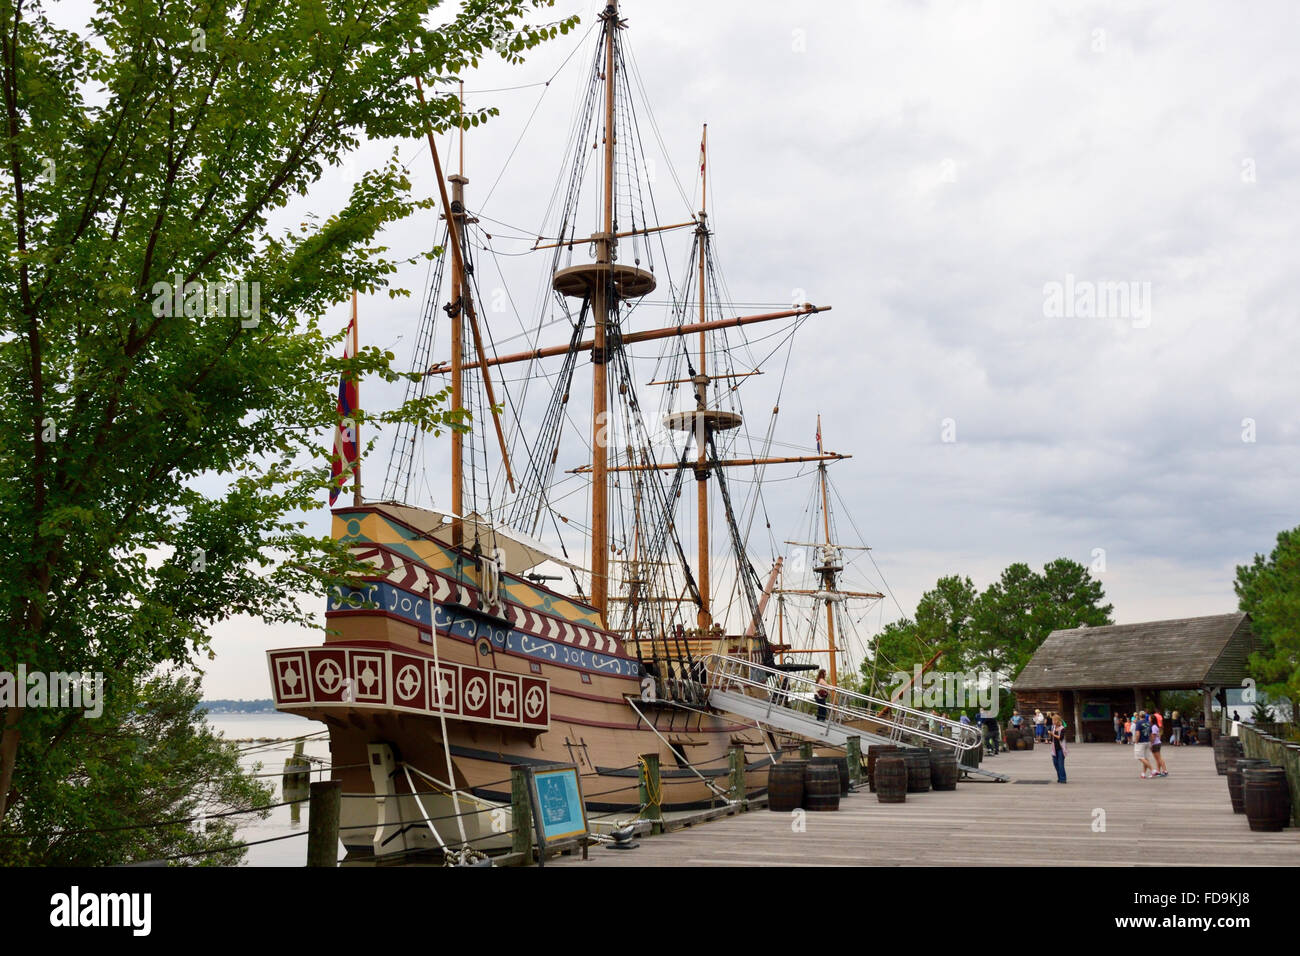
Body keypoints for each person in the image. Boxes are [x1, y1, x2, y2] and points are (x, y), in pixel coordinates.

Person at [1134, 710, 1155, 778]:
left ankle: (1152, 770)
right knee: (1145, 758)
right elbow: (1151, 734)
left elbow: (1137, 734)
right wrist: (1152, 743)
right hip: (1147, 742)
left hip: (1141, 742)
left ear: (1139, 716)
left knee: (1139, 757)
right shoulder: (1148, 723)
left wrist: (1136, 741)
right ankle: (1143, 773)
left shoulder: (1138, 723)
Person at [1049, 714, 1067, 782]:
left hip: (1061, 749)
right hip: (1054, 748)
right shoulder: (1053, 727)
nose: (1053, 721)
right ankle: (1059, 777)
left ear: (1057, 720)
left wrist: (1053, 734)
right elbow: (1052, 738)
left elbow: (1061, 738)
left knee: (1060, 764)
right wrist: (1050, 736)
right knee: (1055, 763)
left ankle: (1063, 779)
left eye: (1053, 720)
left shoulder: (1062, 728)